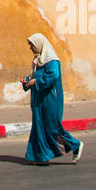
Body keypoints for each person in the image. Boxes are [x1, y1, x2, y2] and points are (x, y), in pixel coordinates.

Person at [22, 33, 82, 166]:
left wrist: (36, 82)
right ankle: (40, 157)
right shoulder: (38, 60)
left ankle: (75, 145)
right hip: (39, 100)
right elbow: (34, 77)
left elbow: (52, 76)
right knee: (39, 127)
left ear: (39, 44)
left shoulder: (51, 60)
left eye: (32, 45)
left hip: (50, 100)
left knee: (52, 127)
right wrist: (27, 81)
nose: (30, 48)